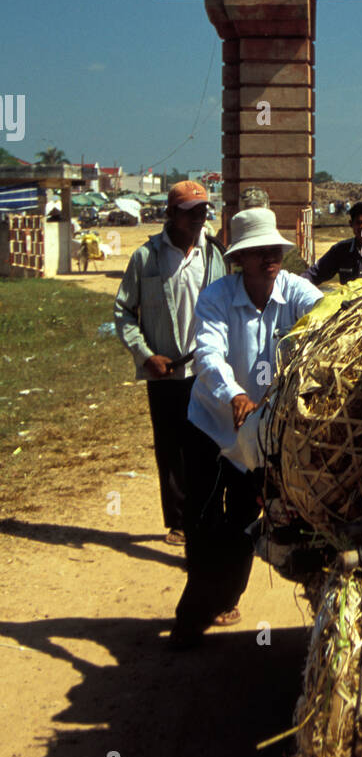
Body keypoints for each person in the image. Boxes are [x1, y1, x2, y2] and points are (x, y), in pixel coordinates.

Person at [170, 207, 323, 647]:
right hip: (210, 424)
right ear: (240, 260)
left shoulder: (296, 292)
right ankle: (192, 614)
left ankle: (223, 597)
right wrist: (234, 394)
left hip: (259, 435)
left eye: (273, 249)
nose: (269, 258)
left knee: (242, 521)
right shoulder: (217, 297)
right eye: (258, 252)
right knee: (201, 522)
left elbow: (326, 317)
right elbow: (208, 354)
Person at [114, 181, 226, 546]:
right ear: (170, 214)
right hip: (165, 372)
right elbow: (124, 313)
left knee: (209, 443)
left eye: (203, 210)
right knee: (171, 446)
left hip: (207, 369)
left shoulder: (214, 255)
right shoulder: (146, 257)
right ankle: (179, 522)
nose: (199, 217)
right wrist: (146, 356)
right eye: (190, 211)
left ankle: (208, 515)